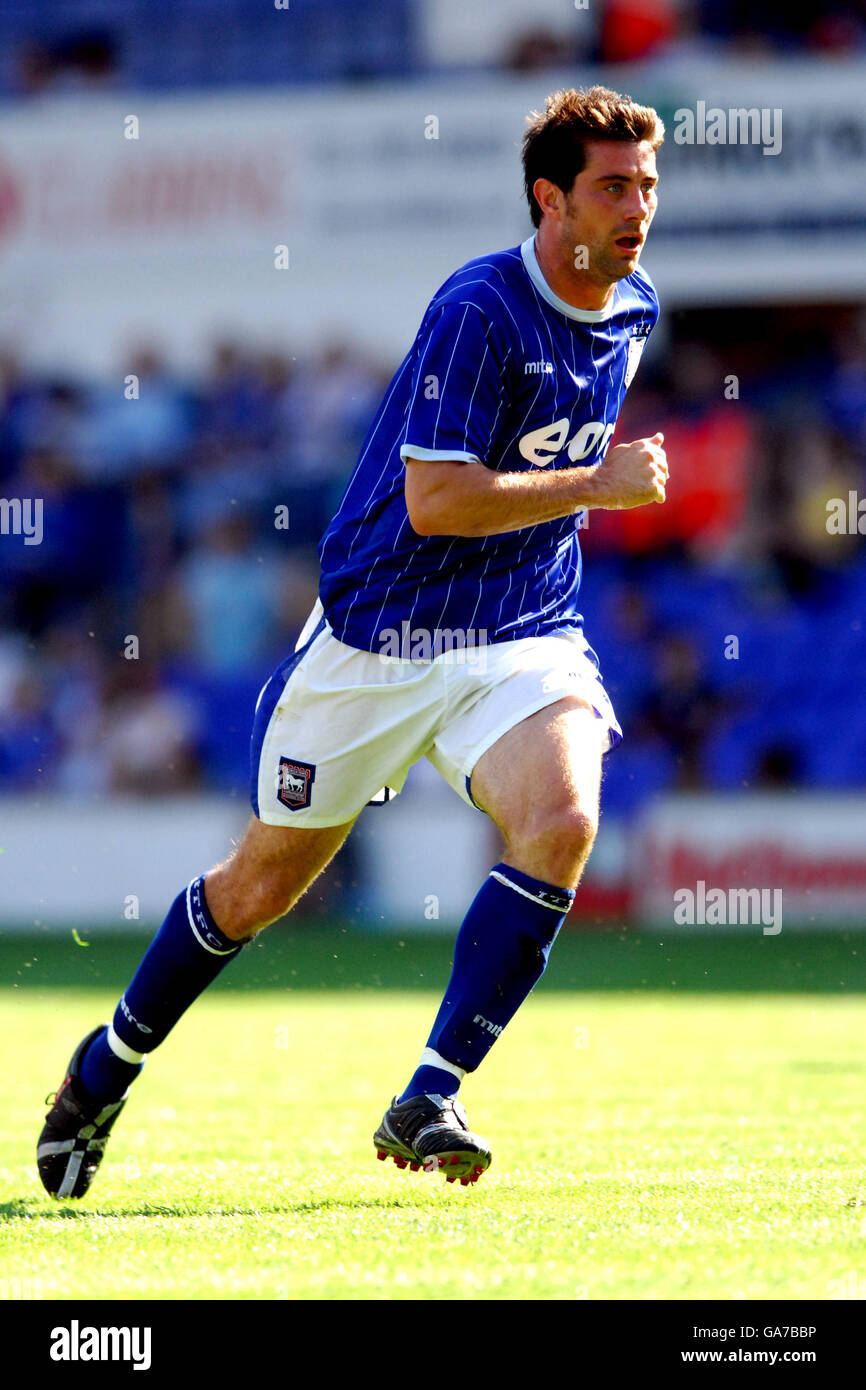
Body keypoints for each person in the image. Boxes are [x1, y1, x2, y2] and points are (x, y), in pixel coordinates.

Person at [38, 85, 669, 1196]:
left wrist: (581, 502)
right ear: (547, 198)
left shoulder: (632, 306)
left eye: (646, 186)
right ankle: (106, 1064)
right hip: (381, 630)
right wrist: (600, 484)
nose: (637, 207)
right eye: (612, 187)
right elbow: (435, 501)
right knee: (258, 888)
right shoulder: (478, 308)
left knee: (564, 818)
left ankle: (431, 1089)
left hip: (519, 628)